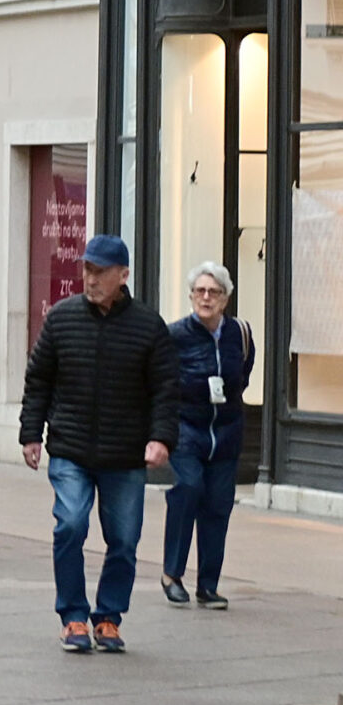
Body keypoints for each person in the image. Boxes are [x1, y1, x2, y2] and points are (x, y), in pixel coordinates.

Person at [19, 233, 179, 653]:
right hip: (70, 448)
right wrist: (31, 433)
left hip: (125, 454)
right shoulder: (61, 318)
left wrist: (161, 438)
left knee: (124, 540)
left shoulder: (148, 325)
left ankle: (108, 617)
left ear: (122, 275)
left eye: (101, 272)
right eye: (86, 269)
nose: (90, 279)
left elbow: (166, 388)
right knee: (70, 525)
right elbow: (38, 379)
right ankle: (73, 616)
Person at [161, 261, 252, 610]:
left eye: (213, 292)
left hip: (226, 432)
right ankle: (172, 574)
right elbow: (162, 380)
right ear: (190, 296)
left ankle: (208, 585)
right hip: (186, 427)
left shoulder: (239, 334)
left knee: (218, 504)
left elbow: (241, 374)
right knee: (188, 488)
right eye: (199, 291)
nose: (206, 297)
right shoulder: (175, 336)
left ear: (226, 299)